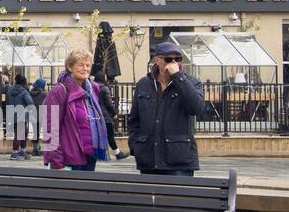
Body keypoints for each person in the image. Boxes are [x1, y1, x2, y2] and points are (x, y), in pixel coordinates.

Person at [127, 41, 203, 176]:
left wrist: (178, 77)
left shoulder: (191, 83)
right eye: (168, 59)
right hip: (148, 159)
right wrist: (136, 147)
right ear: (157, 61)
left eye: (178, 59)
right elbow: (134, 120)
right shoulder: (144, 84)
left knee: (176, 196)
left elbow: (196, 108)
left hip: (179, 159)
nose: (174, 63)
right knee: (150, 196)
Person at [42, 49, 110, 171]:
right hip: (68, 159)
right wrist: (57, 163)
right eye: (81, 65)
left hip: (89, 156)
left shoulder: (92, 90)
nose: (85, 68)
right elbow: (50, 129)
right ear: (70, 67)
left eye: (88, 65)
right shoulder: (59, 91)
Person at [92, 68, 128, 160]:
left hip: (95, 116)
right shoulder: (104, 88)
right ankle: (117, 153)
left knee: (98, 136)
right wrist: (114, 114)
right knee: (110, 135)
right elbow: (109, 103)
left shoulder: (92, 88)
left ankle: (102, 154)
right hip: (106, 117)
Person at [7, 73, 35, 160]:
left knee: (22, 133)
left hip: (13, 113)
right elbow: (30, 102)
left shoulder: (10, 90)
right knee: (20, 134)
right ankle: (14, 153)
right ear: (24, 82)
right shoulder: (24, 91)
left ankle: (22, 151)